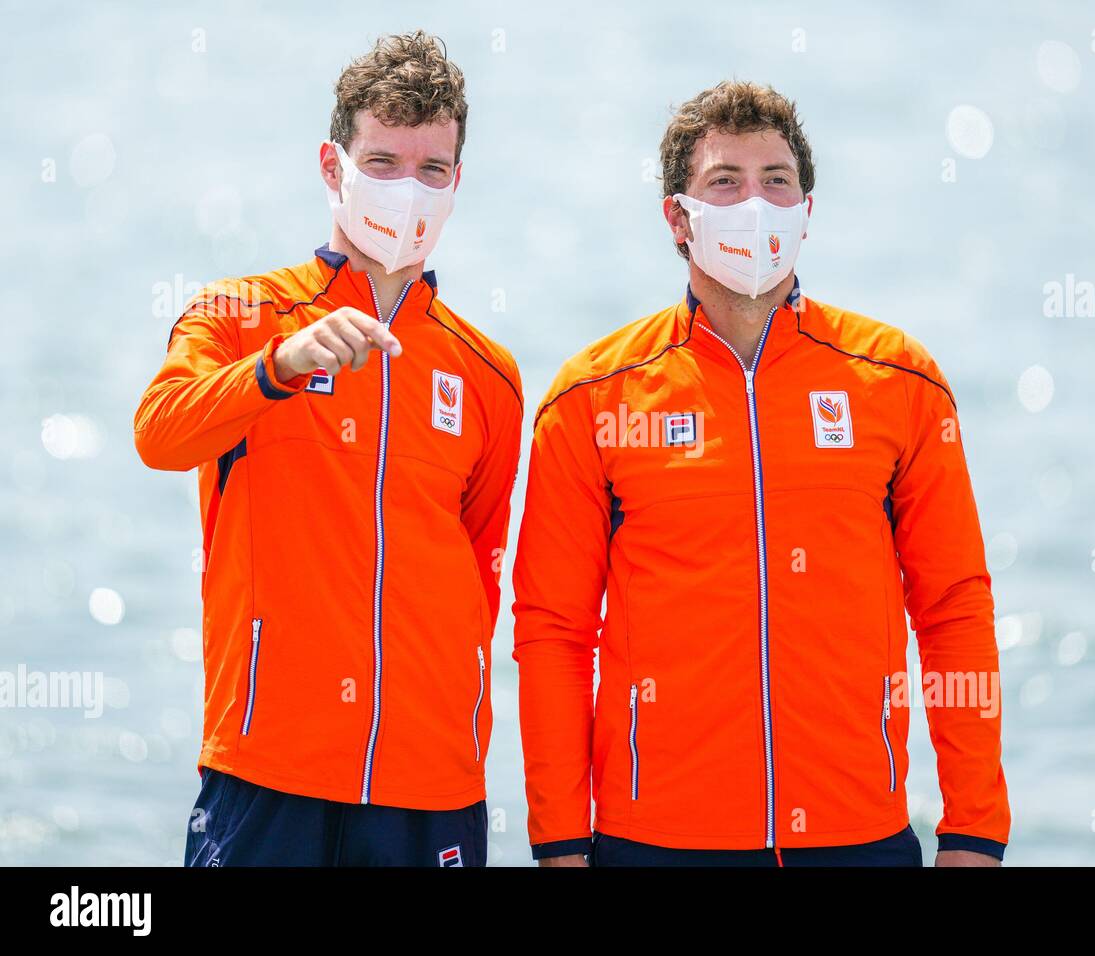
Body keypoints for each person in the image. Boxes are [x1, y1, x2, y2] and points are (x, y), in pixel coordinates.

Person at [512, 80, 1010, 867]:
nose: (755, 204)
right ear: (678, 217)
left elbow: (953, 609)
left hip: (858, 837)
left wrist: (975, 830)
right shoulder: (591, 398)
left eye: (777, 181)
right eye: (725, 182)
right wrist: (561, 842)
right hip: (655, 843)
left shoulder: (899, 381)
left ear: (807, 211)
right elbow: (554, 634)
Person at [133, 31, 522, 866]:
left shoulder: (488, 373)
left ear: (458, 181)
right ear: (331, 164)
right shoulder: (242, 312)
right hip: (269, 766)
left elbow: (481, 570)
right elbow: (159, 433)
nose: (407, 190)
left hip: (432, 786)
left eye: (432, 169)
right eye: (381, 162)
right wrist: (277, 368)